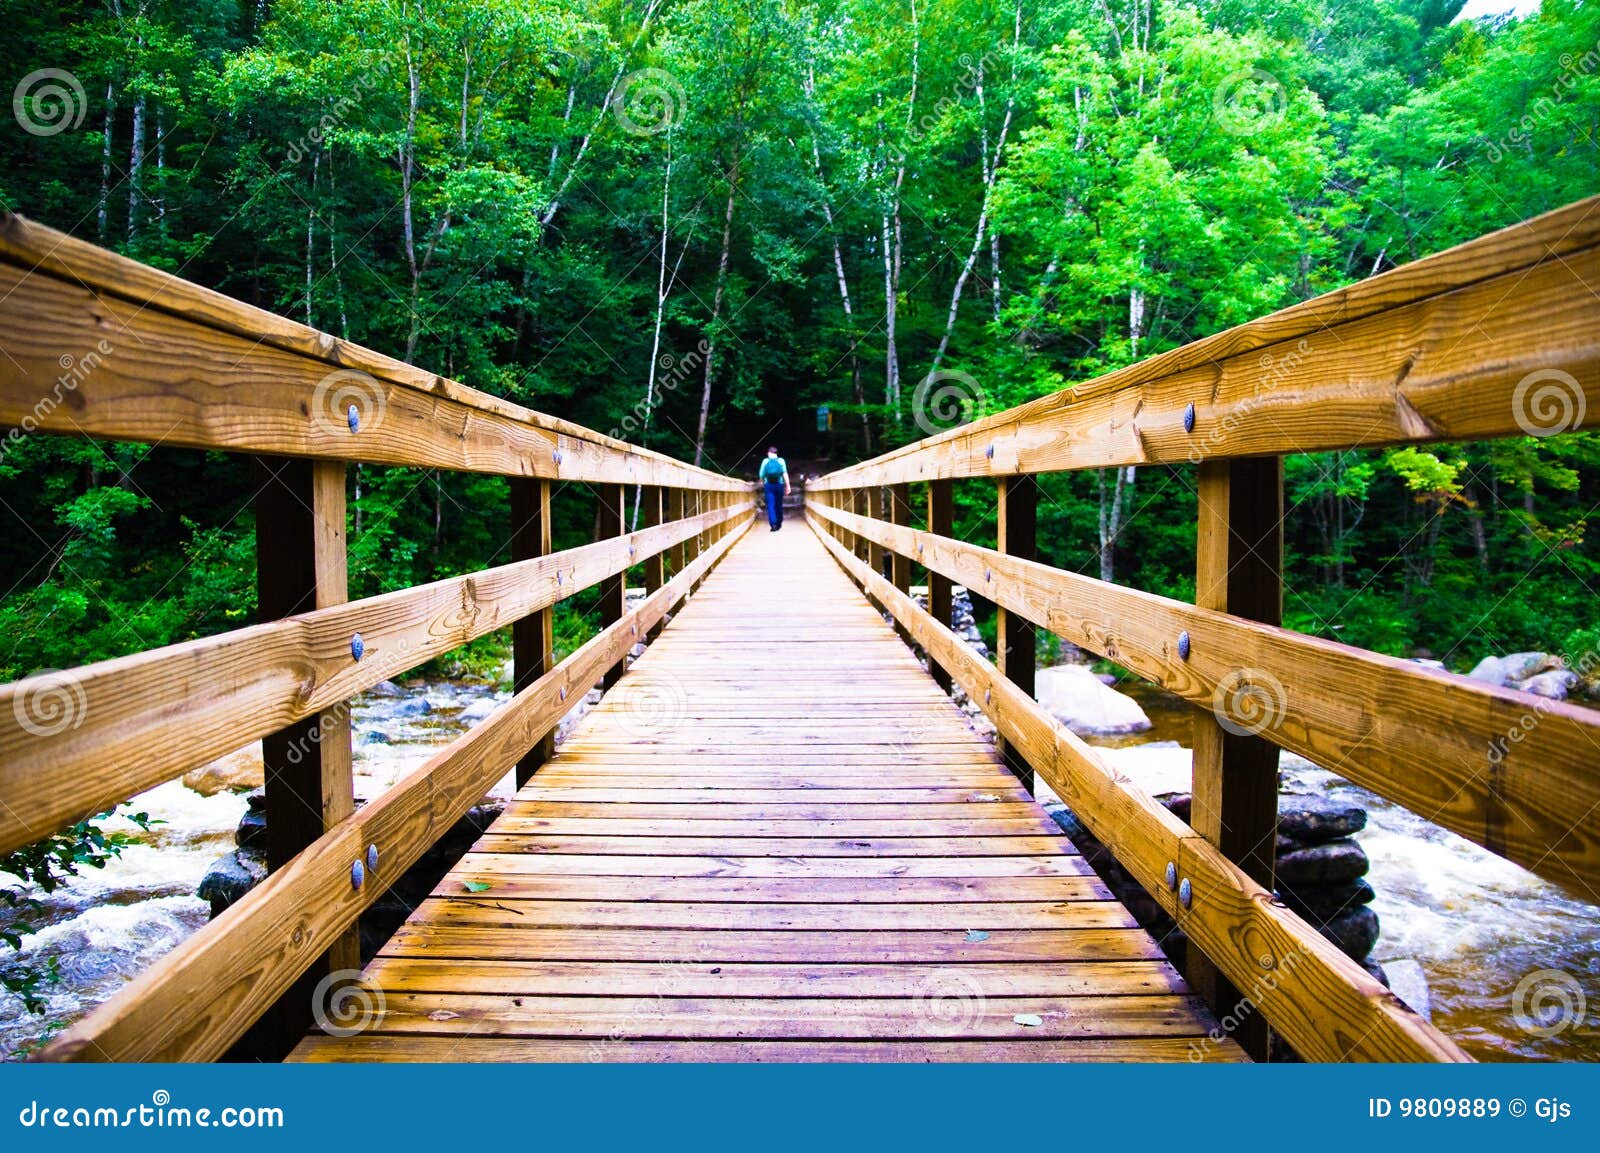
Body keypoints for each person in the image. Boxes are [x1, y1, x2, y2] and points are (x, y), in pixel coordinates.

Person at [758, 446, 790, 531]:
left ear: (769, 453)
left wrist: (761, 482)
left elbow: (761, 474)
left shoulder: (765, 461)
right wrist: (788, 486)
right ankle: (779, 522)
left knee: (771, 505)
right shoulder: (781, 460)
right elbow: (785, 473)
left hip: (769, 485)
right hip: (779, 485)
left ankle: (773, 524)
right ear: (776, 453)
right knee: (778, 504)